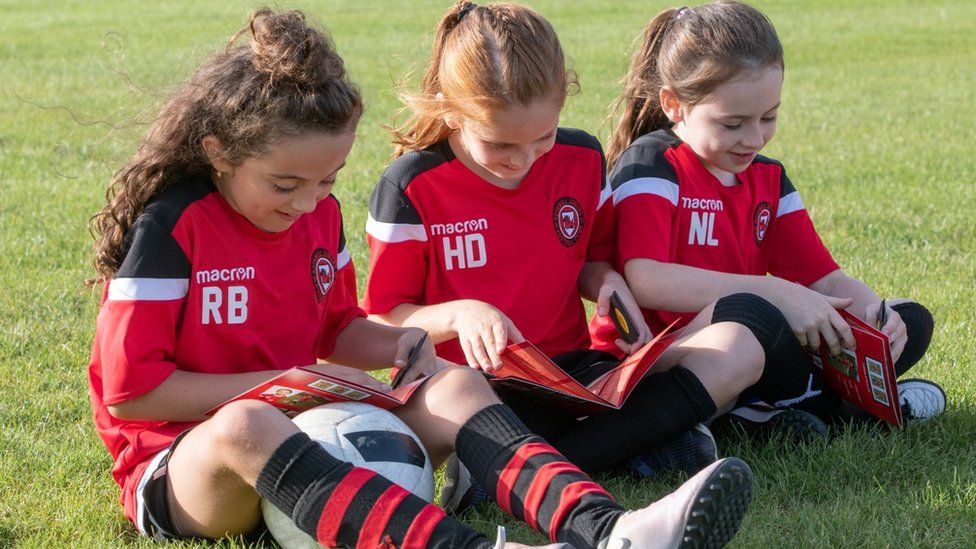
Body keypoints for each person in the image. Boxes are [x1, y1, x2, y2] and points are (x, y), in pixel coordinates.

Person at [86, 8, 753, 549]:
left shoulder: (315, 216)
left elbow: (338, 326)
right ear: (219, 152)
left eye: (328, 181)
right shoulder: (172, 227)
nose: (309, 201)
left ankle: (613, 532)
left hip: (302, 426)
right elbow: (132, 395)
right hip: (188, 465)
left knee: (455, 382)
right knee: (246, 423)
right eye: (286, 183)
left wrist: (395, 348)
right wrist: (280, 389)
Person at [363, 0, 818, 510]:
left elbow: (591, 261)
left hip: (576, 375)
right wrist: (461, 314)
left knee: (739, 345)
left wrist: (607, 286)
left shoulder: (581, 159)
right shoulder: (411, 184)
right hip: (480, 390)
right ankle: (638, 445)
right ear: (451, 108)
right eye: (500, 145)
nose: (522, 161)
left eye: (542, 138)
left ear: (564, 99)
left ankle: (520, 469)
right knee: (487, 407)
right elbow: (384, 316)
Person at [593, 0, 945, 430]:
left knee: (910, 318)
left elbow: (826, 279)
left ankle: (775, 414)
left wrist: (877, 317)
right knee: (758, 319)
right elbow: (646, 280)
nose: (754, 138)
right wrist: (774, 294)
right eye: (733, 123)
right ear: (674, 104)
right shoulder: (651, 164)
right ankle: (837, 410)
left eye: (769, 117)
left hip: (756, 345)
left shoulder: (769, 178)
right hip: (661, 358)